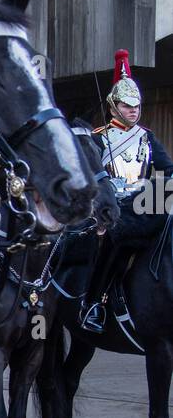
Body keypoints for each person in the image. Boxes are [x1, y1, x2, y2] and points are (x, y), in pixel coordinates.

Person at [80, 50, 173, 331]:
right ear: (113, 106)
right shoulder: (98, 139)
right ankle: (93, 303)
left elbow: (167, 171)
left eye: (137, 105)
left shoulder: (147, 138)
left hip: (141, 206)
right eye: (127, 105)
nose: (134, 110)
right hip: (109, 208)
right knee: (115, 238)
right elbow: (89, 177)